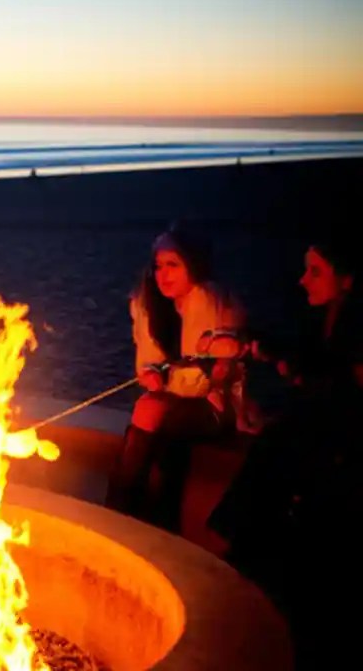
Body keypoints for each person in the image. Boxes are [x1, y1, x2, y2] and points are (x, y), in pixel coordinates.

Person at [207, 235, 361, 669]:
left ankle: (245, 571)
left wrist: (295, 372)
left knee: (275, 453)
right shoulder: (325, 320)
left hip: (343, 453)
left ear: (346, 279)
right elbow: (309, 365)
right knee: (273, 447)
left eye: (315, 271)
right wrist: (264, 349)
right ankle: (242, 562)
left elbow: (339, 391)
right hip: (320, 440)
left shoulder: (355, 324)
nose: (302, 279)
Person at [104, 222, 246, 532]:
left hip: (215, 407)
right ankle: (142, 519)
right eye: (158, 266)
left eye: (173, 265)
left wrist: (163, 388)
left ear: (194, 265)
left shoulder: (211, 302)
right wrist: (152, 374)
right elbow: (149, 363)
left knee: (150, 409)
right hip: (174, 406)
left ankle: (116, 516)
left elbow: (206, 381)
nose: (163, 275)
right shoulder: (151, 305)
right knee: (155, 417)